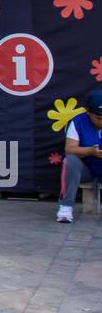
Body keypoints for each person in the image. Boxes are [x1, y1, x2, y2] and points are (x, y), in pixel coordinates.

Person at [58, 88, 102, 223]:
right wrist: (91, 151)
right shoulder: (77, 122)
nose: (101, 122)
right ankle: (65, 207)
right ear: (88, 112)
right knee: (69, 160)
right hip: (86, 169)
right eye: (98, 118)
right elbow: (70, 149)